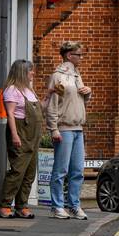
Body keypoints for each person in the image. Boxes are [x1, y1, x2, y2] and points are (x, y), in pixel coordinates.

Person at [46, 41, 93, 219]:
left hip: (78, 128)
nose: (81, 57)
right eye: (78, 54)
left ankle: (74, 205)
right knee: (61, 170)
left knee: (77, 170)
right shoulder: (58, 76)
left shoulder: (76, 75)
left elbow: (78, 101)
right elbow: (53, 104)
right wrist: (53, 129)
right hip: (64, 128)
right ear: (68, 55)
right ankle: (57, 206)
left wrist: (87, 93)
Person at [0, 59, 43, 219]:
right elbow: (10, 114)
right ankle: (4, 205)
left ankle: (21, 206)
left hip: (33, 137)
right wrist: (15, 135)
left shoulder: (29, 90)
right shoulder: (12, 90)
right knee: (17, 171)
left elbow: (40, 108)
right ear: (22, 72)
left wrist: (51, 94)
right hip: (21, 134)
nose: (33, 73)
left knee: (29, 173)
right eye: (30, 71)